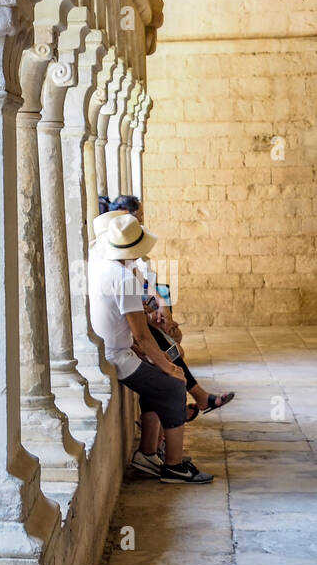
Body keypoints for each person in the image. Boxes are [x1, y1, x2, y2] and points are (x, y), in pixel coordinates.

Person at [88, 211, 214, 484]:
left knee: (159, 384)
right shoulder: (123, 278)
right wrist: (170, 368)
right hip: (118, 356)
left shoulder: (104, 268)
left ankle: (148, 453)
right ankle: (174, 466)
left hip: (115, 350)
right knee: (173, 387)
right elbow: (143, 336)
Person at [104, 195, 235, 415]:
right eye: (139, 217)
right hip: (128, 341)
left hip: (139, 325)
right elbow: (136, 328)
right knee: (172, 360)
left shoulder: (126, 263)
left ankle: (194, 402)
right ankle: (183, 411)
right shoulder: (114, 270)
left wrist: (161, 305)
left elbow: (144, 286)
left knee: (173, 346)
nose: (142, 221)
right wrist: (152, 320)